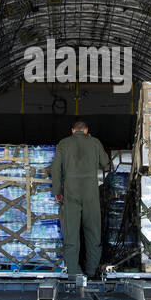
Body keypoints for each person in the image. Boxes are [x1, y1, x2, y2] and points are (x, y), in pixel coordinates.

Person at [50, 119, 110, 279]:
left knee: (71, 234)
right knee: (93, 233)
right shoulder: (95, 142)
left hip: (71, 193)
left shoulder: (63, 143)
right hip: (90, 194)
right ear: (86, 130)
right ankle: (91, 271)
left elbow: (55, 169)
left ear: (72, 131)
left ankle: (73, 272)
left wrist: (57, 190)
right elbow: (106, 163)